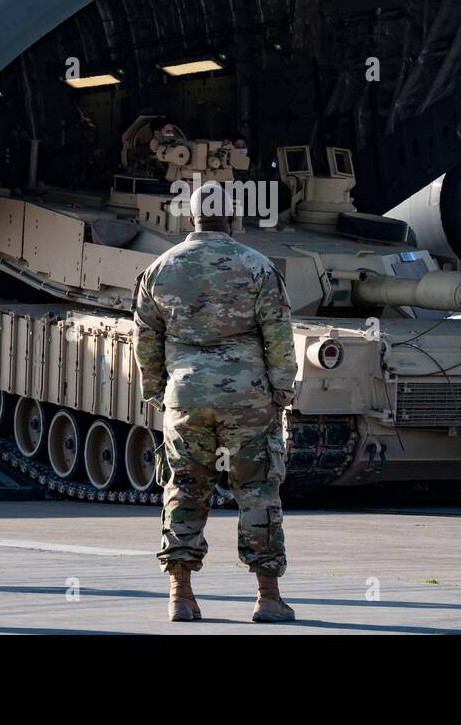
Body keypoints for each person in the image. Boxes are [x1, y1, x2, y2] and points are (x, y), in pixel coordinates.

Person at [133, 181, 298, 623]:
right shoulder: (257, 266)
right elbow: (279, 337)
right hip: (247, 399)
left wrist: (158, 394)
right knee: (258, 491)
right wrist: (281, 393)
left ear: (191, 219)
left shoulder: (160, 270)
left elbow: (146, 342)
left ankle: (180, 596)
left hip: (184, 398)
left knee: (183, 490)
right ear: (233, 218)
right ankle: (267, 598)